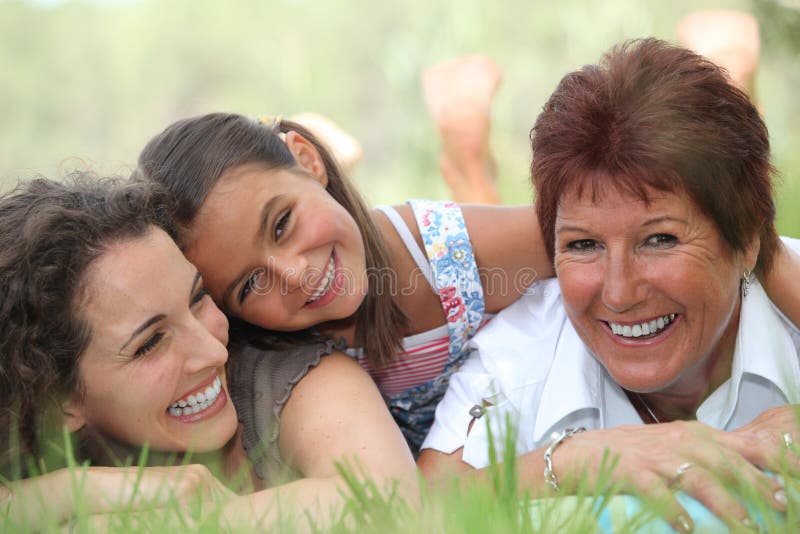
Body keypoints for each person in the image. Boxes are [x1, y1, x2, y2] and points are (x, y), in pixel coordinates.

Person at [419, 38, 800, 532]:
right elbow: (409, 511)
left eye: (660, 239)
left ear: (747, 239)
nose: (619, 293)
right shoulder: (519, 357)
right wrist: (581, 460)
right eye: (583, 245)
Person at [0, 175, 417, 531]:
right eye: (150, 343)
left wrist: (184, 516)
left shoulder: (288, 377)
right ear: (60, 399)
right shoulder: (46, 463)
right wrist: (70, 491)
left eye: (199, 298)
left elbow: (389, 502)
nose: (212, 351)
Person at [133, 112, 552, 453]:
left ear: (308, 160)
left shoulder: (447, 252)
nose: (294, 275)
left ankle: (467, 153)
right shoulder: (266, 360)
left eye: (281, 224)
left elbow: (588, 242)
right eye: (249, 284)